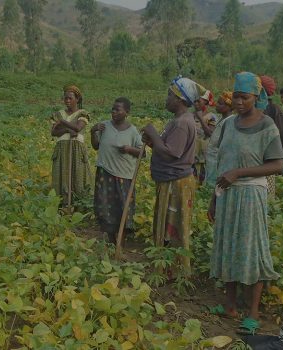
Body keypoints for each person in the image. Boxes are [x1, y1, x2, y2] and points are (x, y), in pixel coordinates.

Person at [208, 72, 283, 335]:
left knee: (251, 250)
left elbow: (277, 164)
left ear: (257, 97)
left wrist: (239, 173)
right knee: (228, 246)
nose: (239, 102)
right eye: (236, 96)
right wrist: (213, 199)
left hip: (251, 195)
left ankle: (253, 312)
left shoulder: (267, 126)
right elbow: (221, 163)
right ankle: (229, 305)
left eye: (245, 97)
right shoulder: (228, 124)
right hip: (227, 193)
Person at [141, 76, 198, 276]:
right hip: (170, 180)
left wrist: (153, 133)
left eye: (169, 95)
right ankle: (166, 269)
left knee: (174, 227)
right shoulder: (177, 121)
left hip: (177, 183)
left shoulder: (182, 123)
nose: (166, 99)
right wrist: (151, 141)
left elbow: (171, 152)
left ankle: (176, 272)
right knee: (167, 224)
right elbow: (166, 149)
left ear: (180, 99)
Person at [90, 97, 143, 244]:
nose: (113, 112)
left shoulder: (132, 131)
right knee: (105, 207)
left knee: (123, 208)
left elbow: (142, 152)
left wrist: (128, 149)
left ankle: (121, 240)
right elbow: (96, 146)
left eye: (117, 110)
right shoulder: (104, 126)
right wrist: (92, 131)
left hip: (124, 175)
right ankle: (111, 239)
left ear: (127, 112)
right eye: (112, 109)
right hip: (104, 172)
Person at [51, 85, 91, 208]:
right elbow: (54, 132)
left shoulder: (83, 113)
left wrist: (62, 123)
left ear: (77, 99)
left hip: (76, 147)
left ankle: (79, 205)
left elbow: (78, 128)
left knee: (78, 174)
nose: (67, 101)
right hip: (61, 147)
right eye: (65, 98)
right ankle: (63, 205)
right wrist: (69, 129)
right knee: (61, 174)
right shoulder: (58, 114)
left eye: (70, 98)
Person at [260, 75, 283, 197]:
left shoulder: (273, 110)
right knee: (267, 195)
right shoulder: (275, 109)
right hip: (269, 160)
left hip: (266, 160)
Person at [204, 91, 234, 187]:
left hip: (218, 162)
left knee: (214, 186)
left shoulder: (229, 122)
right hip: (212, 160)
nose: (217, 105)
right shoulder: (221, 119)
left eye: (220, 103)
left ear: (229, 107)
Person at [193, 89, 218, 184]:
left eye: (198, 101)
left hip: (204, 155)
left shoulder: (211, 117)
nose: (196, 104)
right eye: (194, 101)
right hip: (192, 155)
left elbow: (210, 133)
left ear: (206, 102)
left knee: (202, 181)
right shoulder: (190, 116)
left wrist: (200, 118)